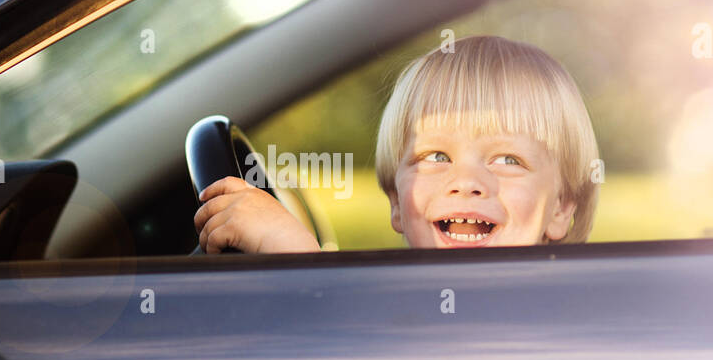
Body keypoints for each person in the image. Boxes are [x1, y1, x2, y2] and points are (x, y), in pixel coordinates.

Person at [193, 35, 599, 253]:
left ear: (561, 209)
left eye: (508, 158)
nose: (467, 182)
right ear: (395, 202)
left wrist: (297, 260)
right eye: (436, 156)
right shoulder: (410, 305)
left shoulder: (537, 321)